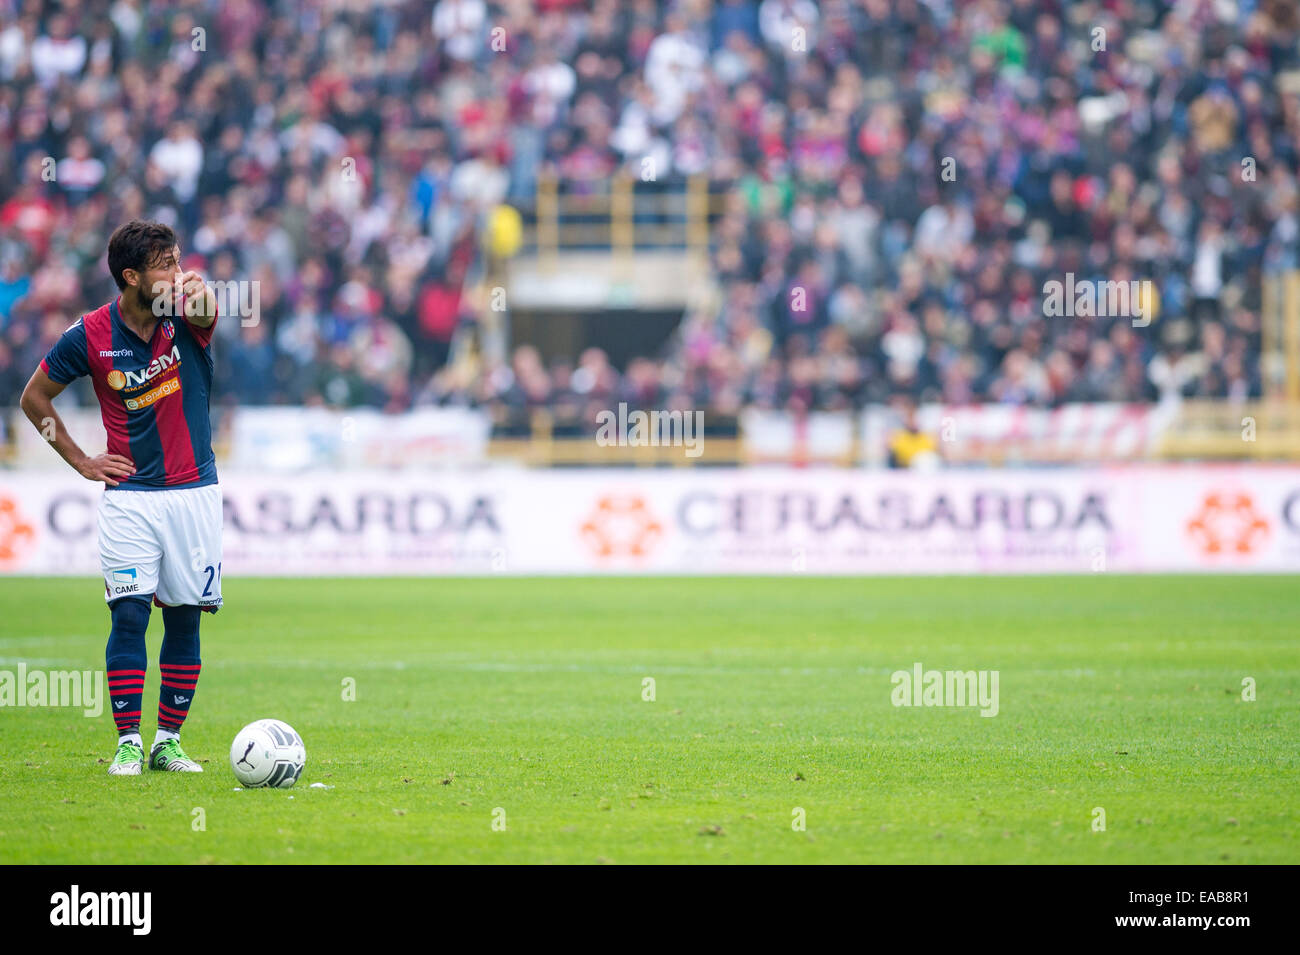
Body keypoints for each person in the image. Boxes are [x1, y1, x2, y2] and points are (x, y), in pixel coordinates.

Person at [19, 220, 221, 776]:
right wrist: (82, 461)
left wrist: (200, 294)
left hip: (194, 494)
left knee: (184, 622)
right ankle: (129, 741)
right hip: (130, 497)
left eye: (178, 260)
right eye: (164, 264)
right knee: (128, 619)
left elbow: (205, 309)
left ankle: (169, 742)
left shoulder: (187, 315)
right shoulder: (88, 335)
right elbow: (35, 399)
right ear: (132, 277)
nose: (176, 272)